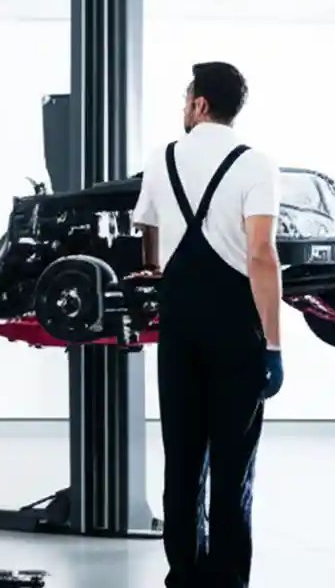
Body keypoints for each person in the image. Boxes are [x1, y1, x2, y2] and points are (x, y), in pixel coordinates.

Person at [131, 62, 284, 588]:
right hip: (235, 326)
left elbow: (147, 224)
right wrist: (274, 344)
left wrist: (154, 263)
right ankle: (225, 581)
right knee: (232, 462)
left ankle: (184, 575)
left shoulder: (162, 158)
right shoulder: (255, 165)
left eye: (185, 98)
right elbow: (261, 254)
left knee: (183, 458)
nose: (183, 107)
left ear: (199, 105)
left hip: (179, 324)